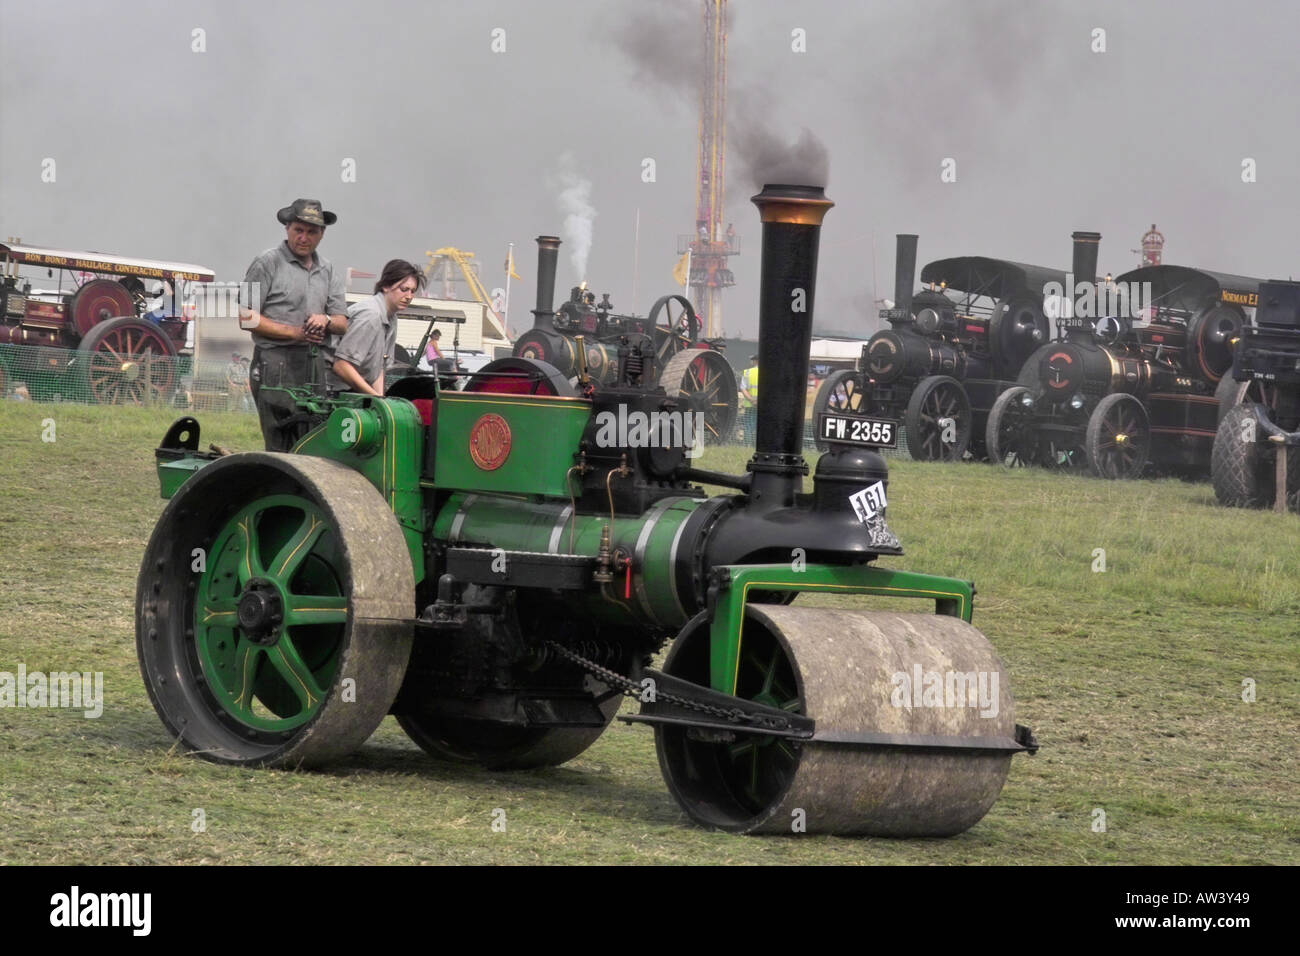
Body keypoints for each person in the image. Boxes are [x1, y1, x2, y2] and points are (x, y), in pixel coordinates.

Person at [239, 198, 347, 450]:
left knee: (312, 443)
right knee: (279, 444)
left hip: (314, 364)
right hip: (273, 362)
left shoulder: (328, 269)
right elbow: (246, 317)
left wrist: (326, 320)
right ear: (287, 228)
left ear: (322, 234)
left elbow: (342, 323)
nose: (304, 237)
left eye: (311, 232)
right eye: (299, 230)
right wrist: (296, 333)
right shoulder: (266, 262)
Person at [328, 260, 425, 396]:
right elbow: (341, 366)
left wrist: (381, 400)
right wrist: (376, 399)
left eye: (412, 291)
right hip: (333, 392)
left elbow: (378, 369)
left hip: (354, 389)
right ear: (385, 286)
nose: (409, 296)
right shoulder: (370, 315)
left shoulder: (391, 317)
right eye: (403, 289)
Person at [740, 354, 759, 440]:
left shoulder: (747, 372)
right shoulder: (770, 373)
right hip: (763, 406)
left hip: (750, 404)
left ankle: (748, 444)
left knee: (748, 425)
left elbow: (743, 388)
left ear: (755, 361)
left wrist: (752, 400)